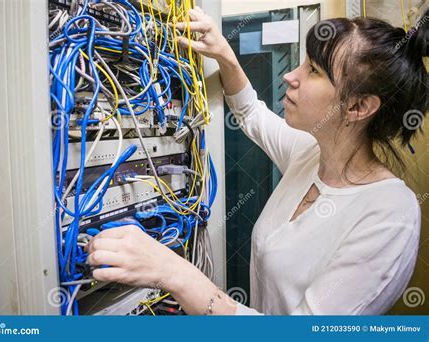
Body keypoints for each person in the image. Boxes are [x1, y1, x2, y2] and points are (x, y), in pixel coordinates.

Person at [85, 7, 428, 315]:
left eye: (313, 70)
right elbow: (250, 111)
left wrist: (173, 273)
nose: (290, 76)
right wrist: (224, 54)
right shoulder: (309, 154)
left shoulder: (390, 214)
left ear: (357, 107)